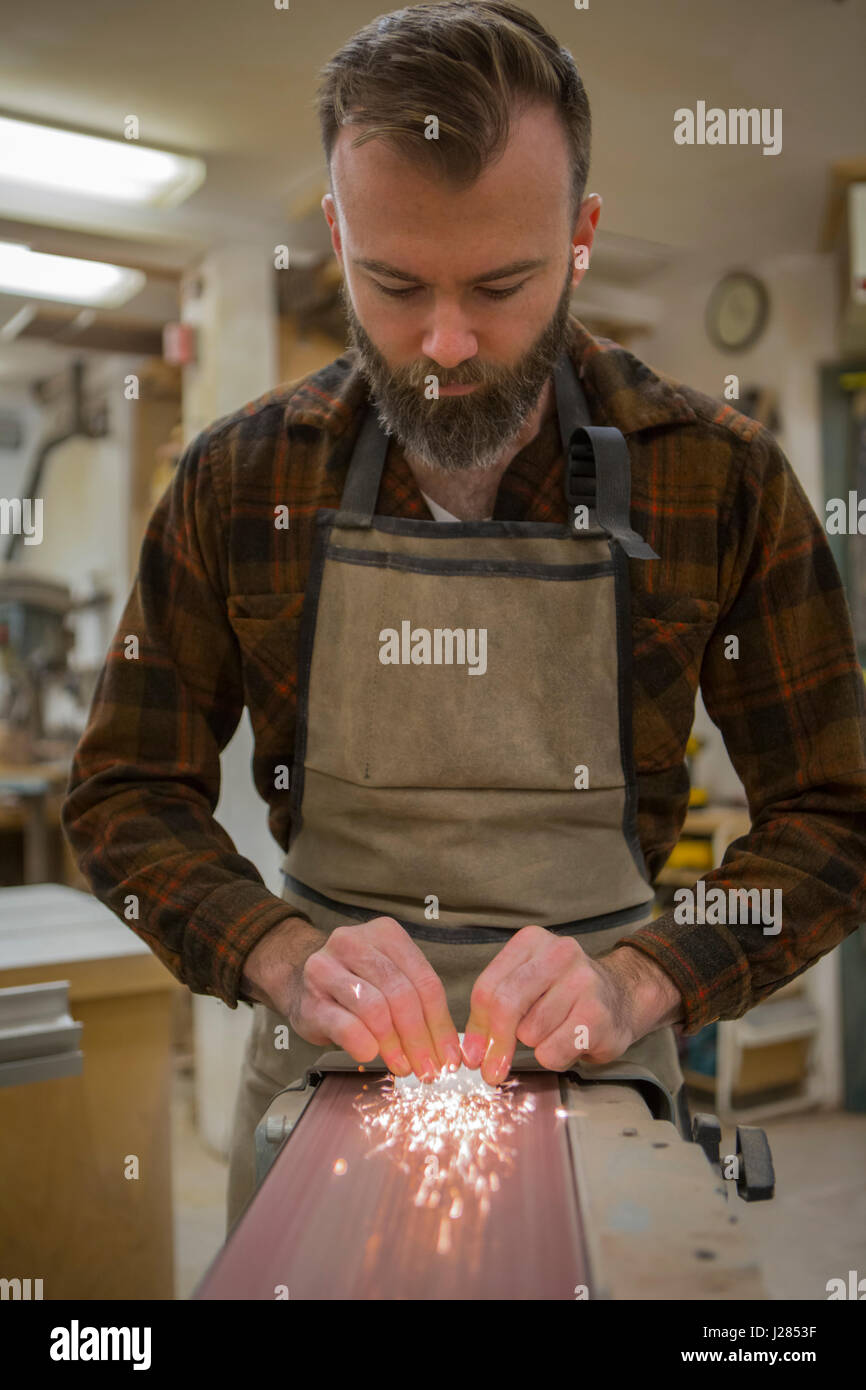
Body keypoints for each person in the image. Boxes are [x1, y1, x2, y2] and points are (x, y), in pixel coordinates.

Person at [62, 0, 866, 1232]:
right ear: (336, 234)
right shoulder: (241, 479)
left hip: (598, 1065)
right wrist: (280, 955)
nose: (443, 343)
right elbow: (122, 792)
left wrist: (647, 974)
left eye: (502, 283)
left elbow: (834, 812)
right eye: (390, 283)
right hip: (322, 1070)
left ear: (580, 238)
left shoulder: (716, 477)